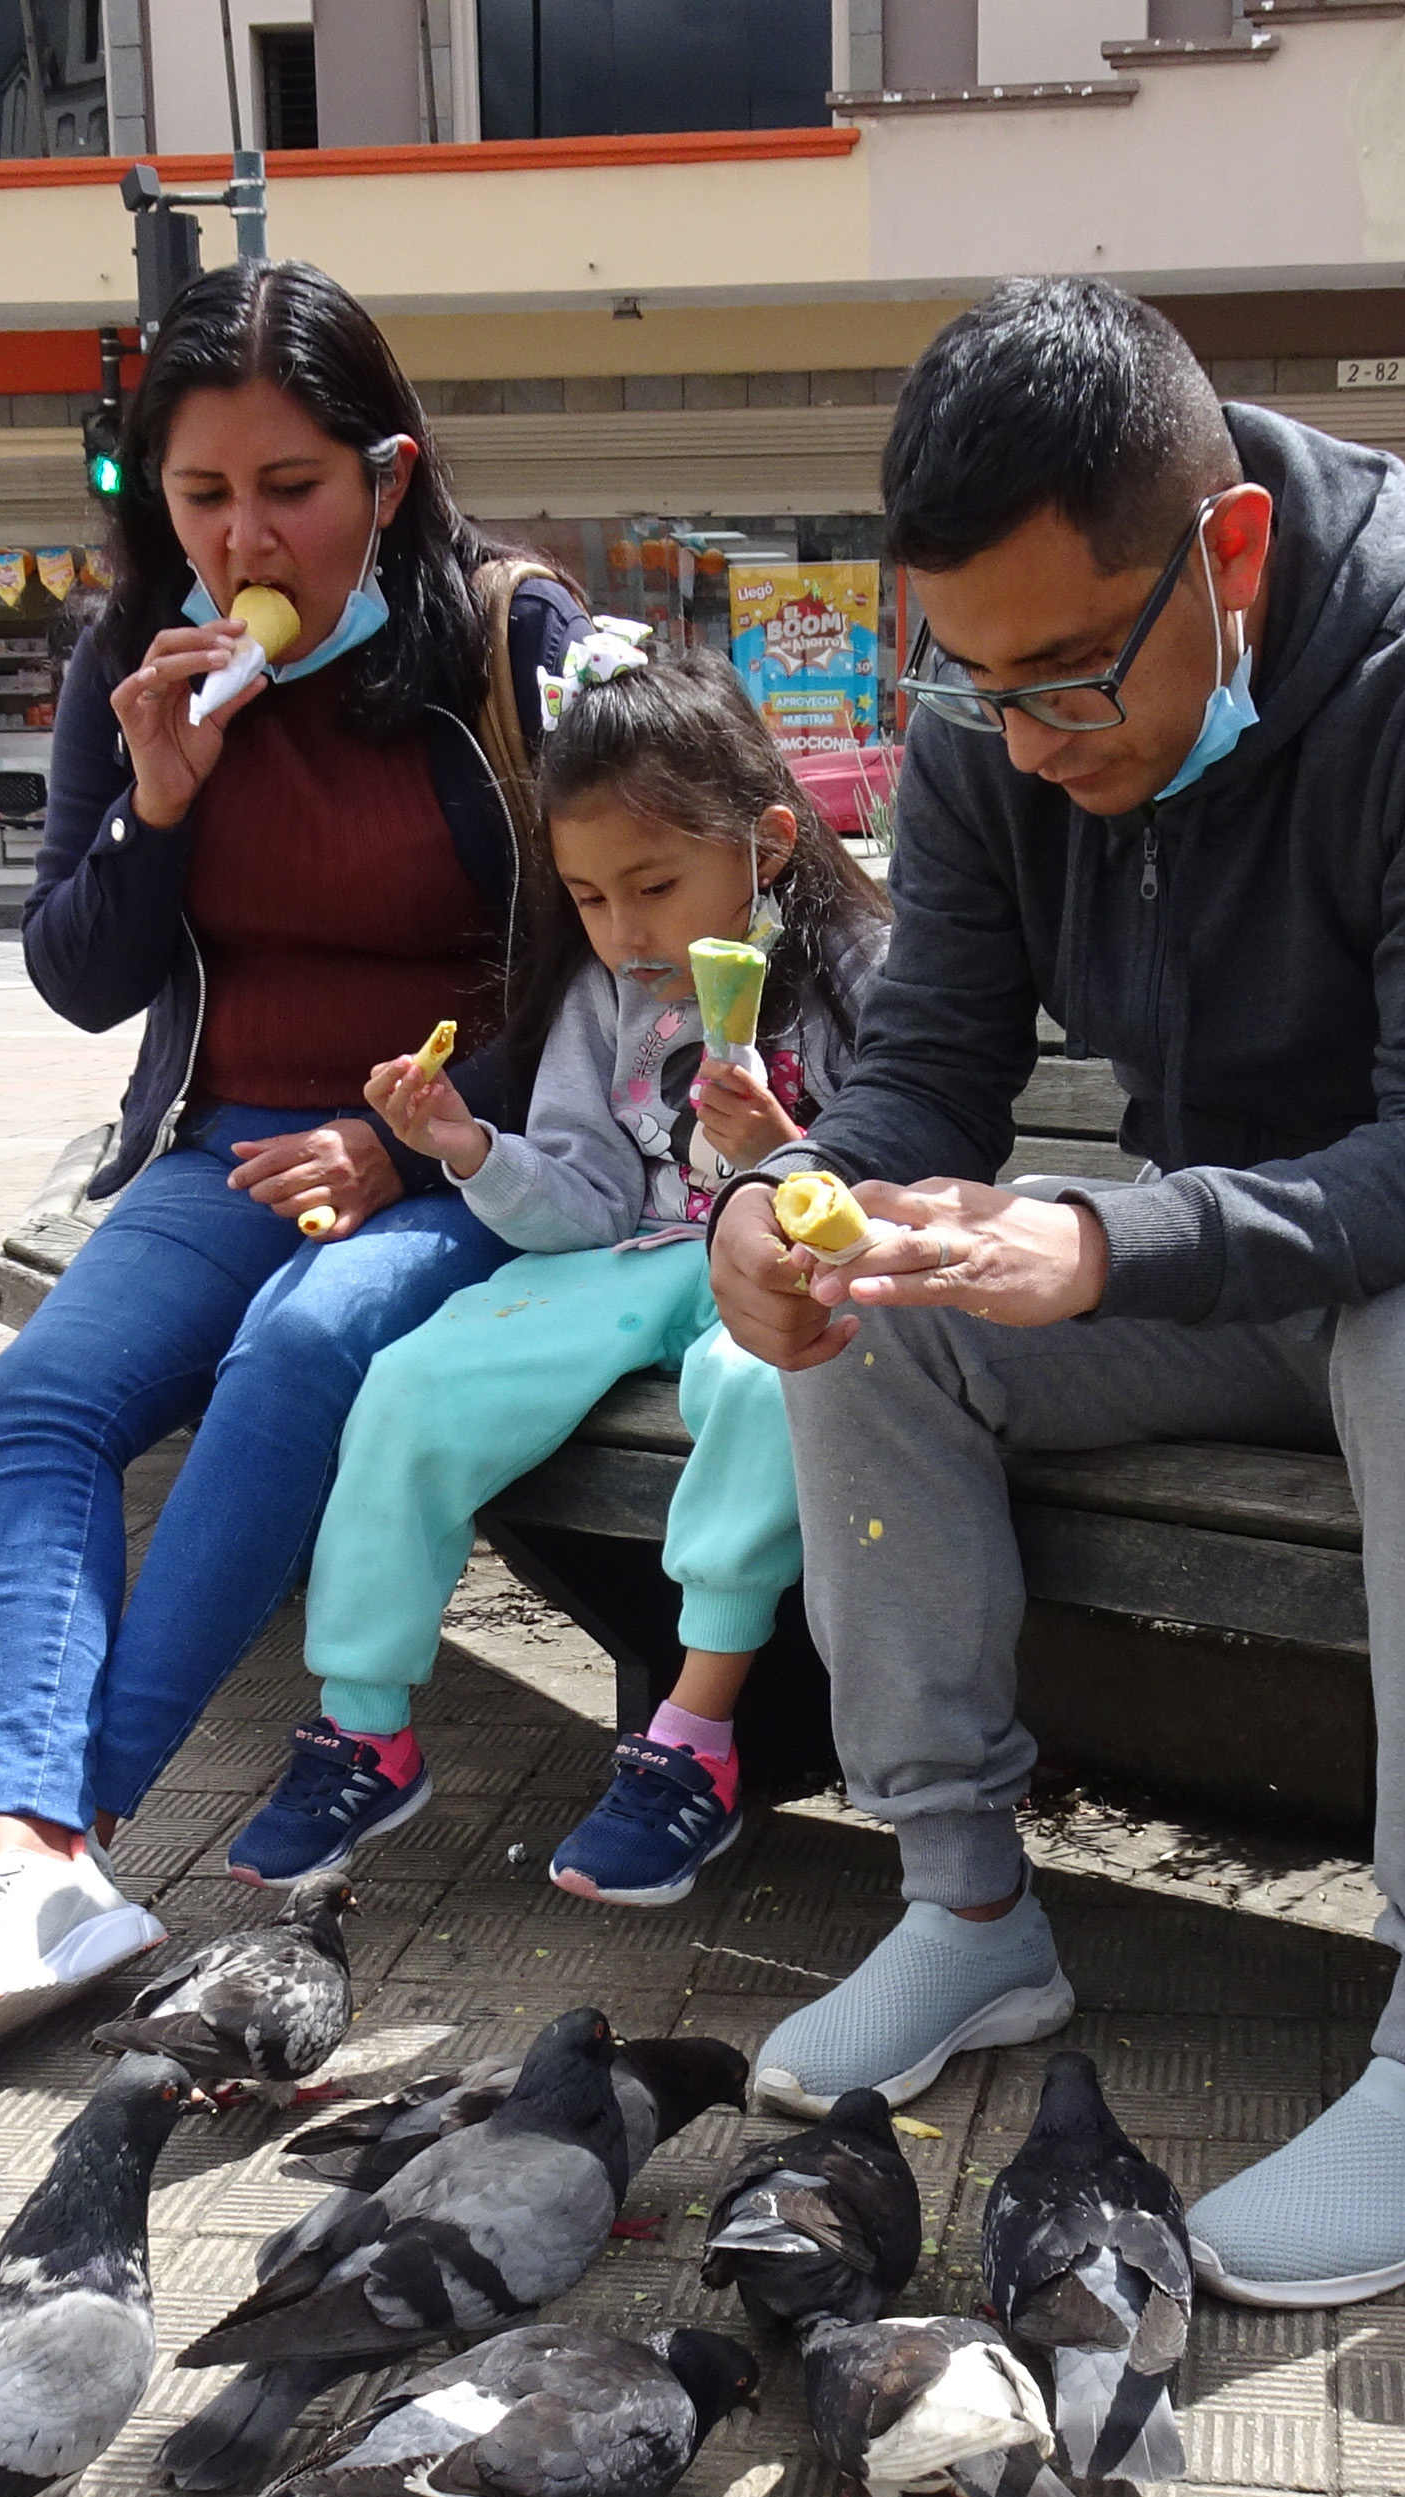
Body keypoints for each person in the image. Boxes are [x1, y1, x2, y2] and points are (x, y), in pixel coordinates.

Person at [706, 276, 1405, 2309]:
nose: (1028, 740)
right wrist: (792, 1200)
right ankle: (967, 1908)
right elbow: (927, 1074)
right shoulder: (997, 720)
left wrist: (1107, 1244)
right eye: (977, 684)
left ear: (1237, 553)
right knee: (884, 1303)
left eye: (1071, 679)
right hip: (1280, 1287)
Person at [0, 256, 587, 2070]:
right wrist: (160, 802)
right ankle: (27, 1837)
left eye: (292, 488)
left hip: (466, 1151)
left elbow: (611, 957)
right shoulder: (135, 653)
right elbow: (79, 973)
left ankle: (52, 1839)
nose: (246, 539)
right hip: (232, 1139)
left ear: (388, 477)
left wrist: (405, 1137)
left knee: (303, 1346)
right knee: (49, 1395)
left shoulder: (507, 642)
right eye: (203, 495)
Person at [233, 634, 886, 1911]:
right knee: (415, 1379)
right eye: (589, 897)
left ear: (766, 843)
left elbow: (903, 1181)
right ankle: (364, 1725)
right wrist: (468, 1147)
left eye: (654, 885)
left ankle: (694, 1735)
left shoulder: (858, 966)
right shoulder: (604, 1000)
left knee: (764, 1385)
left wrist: (787, 1156)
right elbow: (584, 1202)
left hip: (783, 1269)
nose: (624, 933)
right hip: (633, 1260)